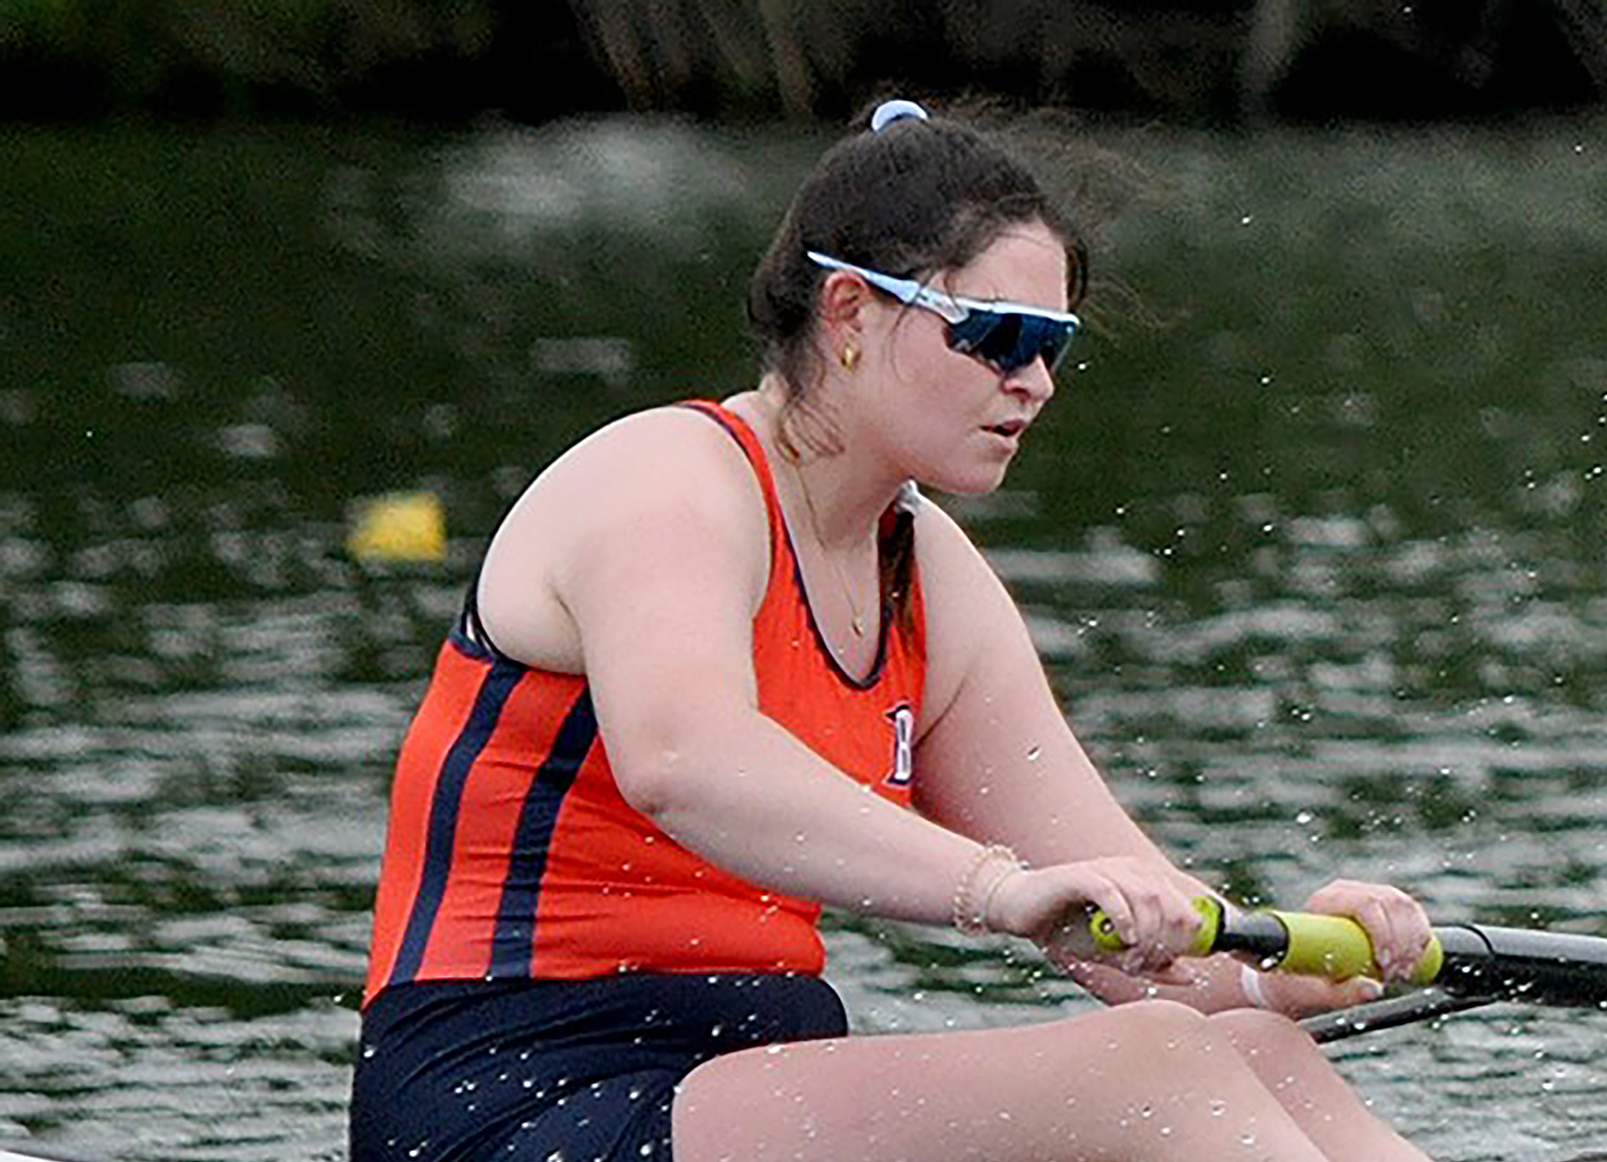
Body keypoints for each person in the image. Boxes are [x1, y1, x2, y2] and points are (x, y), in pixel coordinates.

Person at [350, 98, 1436, 1162]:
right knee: (1149, 1067)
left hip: (749, 1073)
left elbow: (1142, 932)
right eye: (996, 336)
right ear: (850, 317)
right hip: (513, 1092)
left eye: (1052, 343)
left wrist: (1282, 956)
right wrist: (996, 891)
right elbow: (683, 761)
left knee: (1246, 1047)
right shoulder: (666, 486)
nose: (1034, 381)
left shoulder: (930, 577)